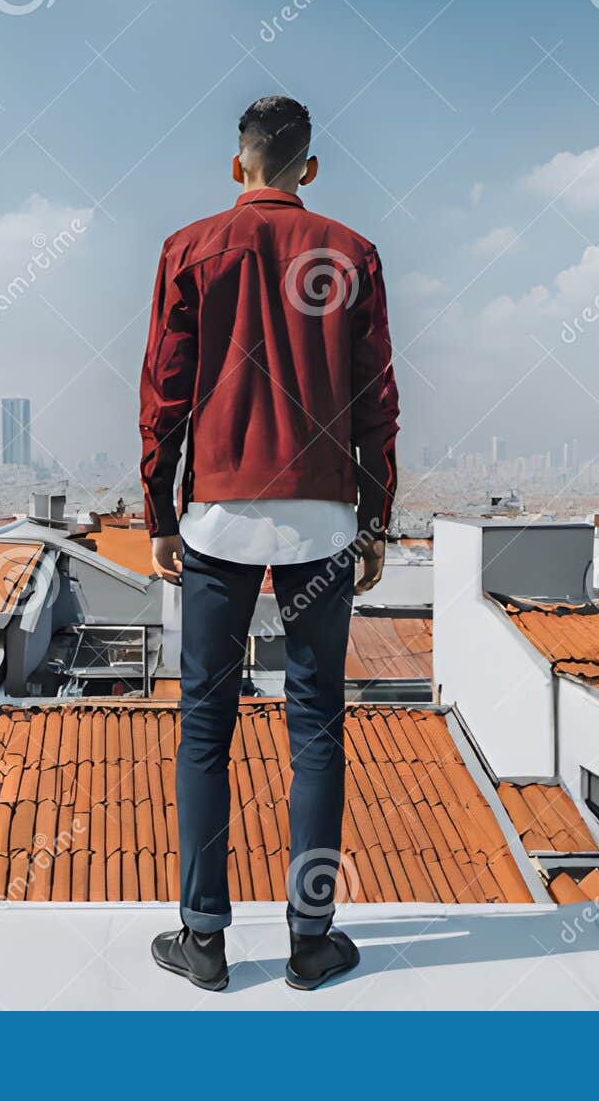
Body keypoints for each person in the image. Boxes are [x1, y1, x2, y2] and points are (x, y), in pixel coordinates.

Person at [138, 95, 400, 991]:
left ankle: (203, 942)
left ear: (237, 165)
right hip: (324, 519)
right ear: (309, 171)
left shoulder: (189, 248)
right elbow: (378, 402)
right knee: (315, 725)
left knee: (205, 727)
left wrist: (159, 511)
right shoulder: (350, 252)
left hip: (215, 517)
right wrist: (375, 516)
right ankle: (311, 941)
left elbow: (164, 394)